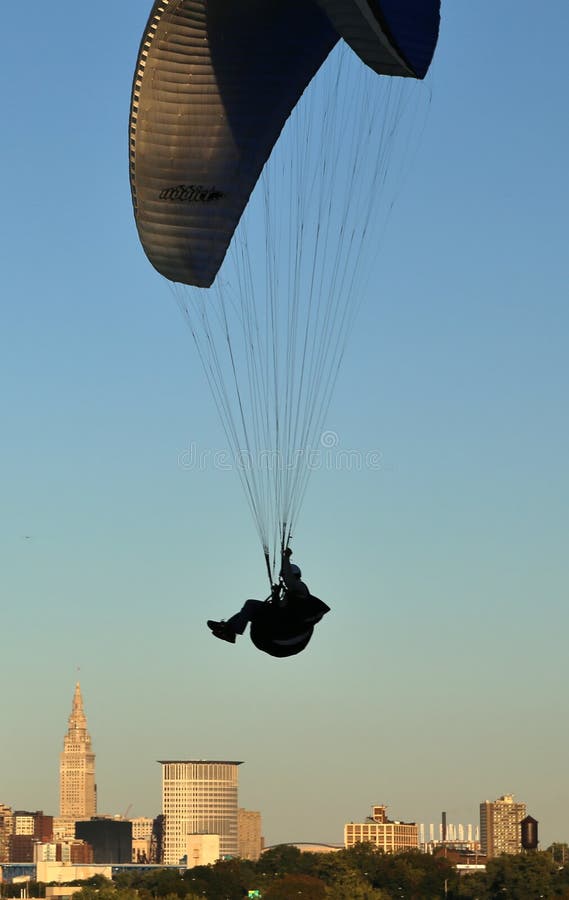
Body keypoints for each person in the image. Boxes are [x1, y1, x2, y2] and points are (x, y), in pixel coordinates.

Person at [207, 548, 330, 657]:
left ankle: (232, 630)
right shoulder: (289, 595)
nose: (284, 579)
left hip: (287, 639)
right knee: (252, 609)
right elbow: (279, 611)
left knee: (251, 605)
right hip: (279, 640)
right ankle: (229, 629)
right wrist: (276, 596)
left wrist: (286, 557)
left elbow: (290, 581)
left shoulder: (301, 588)